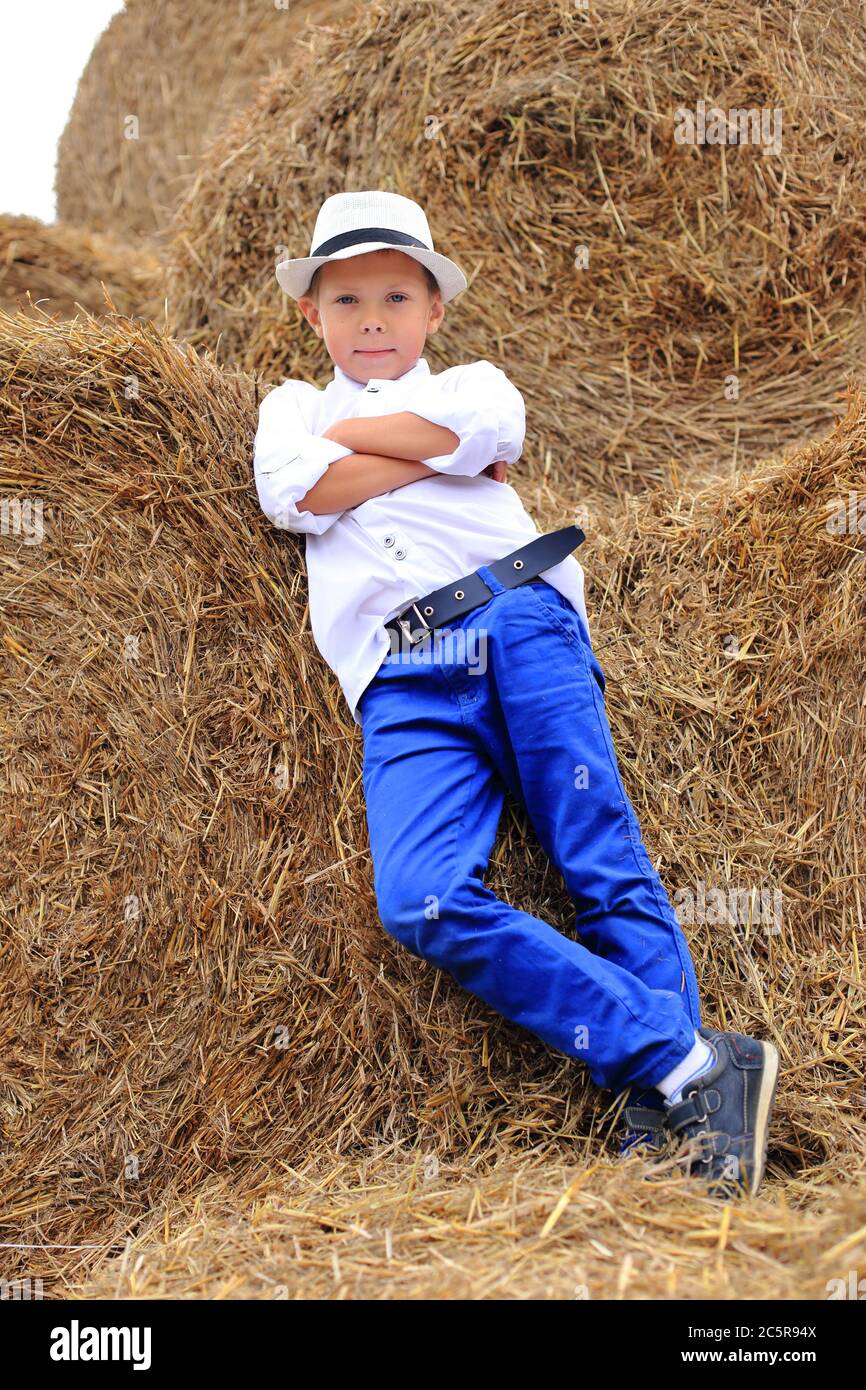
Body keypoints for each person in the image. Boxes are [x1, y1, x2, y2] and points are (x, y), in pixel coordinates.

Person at [252, 189, 779, 1197]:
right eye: (347, 297)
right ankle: (693, 1061)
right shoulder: (289, 407)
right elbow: (289, 490)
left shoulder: (474, 380)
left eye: (395, 297)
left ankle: (663, 1111)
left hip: (513, 617)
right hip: (399, 677)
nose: (372, 317)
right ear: (311, 315)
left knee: (597, 860)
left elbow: (492, 423)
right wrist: (429, 447)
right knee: (422, 898)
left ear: (432, 312)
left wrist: (370, 458)